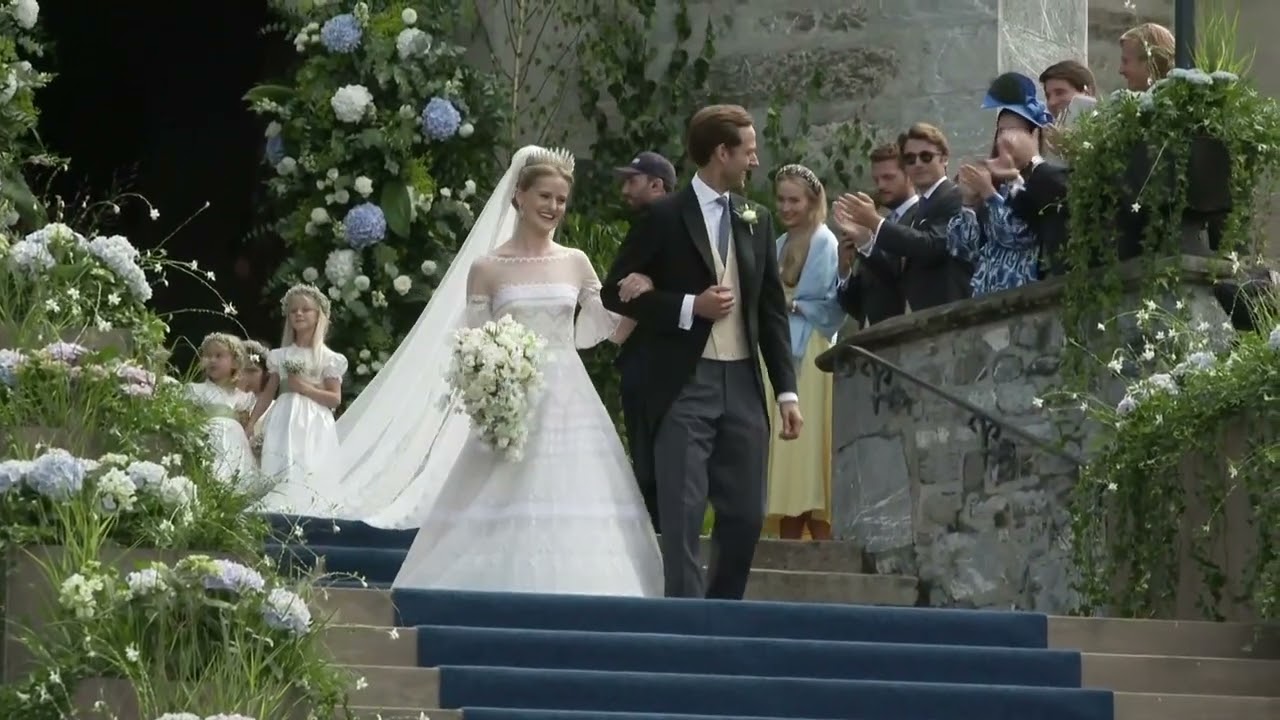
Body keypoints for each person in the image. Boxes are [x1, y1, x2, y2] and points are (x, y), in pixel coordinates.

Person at [387, 147, 661, 595]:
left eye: (561, 199)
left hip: (569, 397)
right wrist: (491, 385)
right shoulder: (488, 268)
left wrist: (643, 293)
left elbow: (611, 332)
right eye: (545, 197)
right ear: (519, 196)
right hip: (510, 394)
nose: (553, 207)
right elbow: (472, 342)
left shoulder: (574, 261)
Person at [601, 104, 801, 600]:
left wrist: (787, 393)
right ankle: (685, 624)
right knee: (682, 510)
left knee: (747, 513)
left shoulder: (757, 219)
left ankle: (722, 614)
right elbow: (612, 292)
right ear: (721, 153)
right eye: (749, 152)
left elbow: (772, 313)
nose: (755, 161)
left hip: (743, 385)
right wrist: (690, 305)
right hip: (684, 383)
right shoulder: (664, 216)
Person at [764, 164, 844, 540]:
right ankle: (787, 525)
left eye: (794, 200)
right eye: (781, 199)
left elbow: (829, 305)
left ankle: (817, 525)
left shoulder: (824, 240)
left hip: (812, 349)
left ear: (812, 202)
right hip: (780, 348)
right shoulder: (778, 244)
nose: (786, 207)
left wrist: (789, 304)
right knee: (784, 444)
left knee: (809, 443)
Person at [612, 151, 676, 534]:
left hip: (652, 358)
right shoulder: (669, 222)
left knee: (650, 455)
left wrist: (650, 289)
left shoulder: (657, 220)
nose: (624, 190)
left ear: (657, 184)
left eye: (632, 181)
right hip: (655, 356)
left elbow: (617, 285)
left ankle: (654, 533)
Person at [249, 284, 349, 516]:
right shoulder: (280, 356)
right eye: (293, 311)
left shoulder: (328, 358)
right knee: (282, 458)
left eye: (306, 310)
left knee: (308, 462)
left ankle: (310, 505)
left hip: (314, 419)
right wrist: (252, 421)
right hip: (284, 416)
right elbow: (267, 394)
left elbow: (334, 398)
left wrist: (304, 388)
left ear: (318, 316)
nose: (299, 314)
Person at [186, 333, 257, 483]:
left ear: (235, 363)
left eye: (219, 356)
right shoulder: (197, 390)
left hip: (235, 445)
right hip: (208, 440)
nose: (212, 360)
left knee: (236, 477)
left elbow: (245, 424)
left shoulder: (242, 397)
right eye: (208, 356)